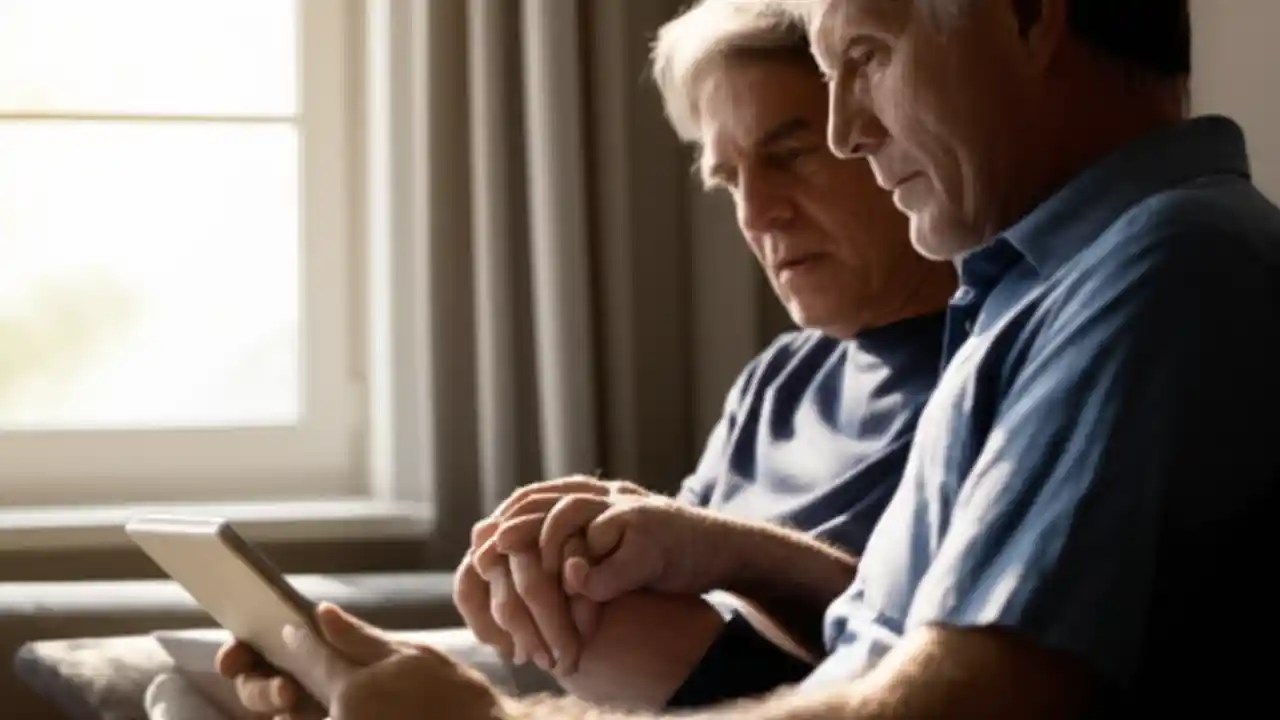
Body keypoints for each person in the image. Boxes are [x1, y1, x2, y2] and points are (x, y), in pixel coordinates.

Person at [226, 0, 1280, 715]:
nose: (849, 130)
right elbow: (898, 646)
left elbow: (959, 702)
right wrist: (732, 555)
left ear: (1027, 13)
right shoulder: (1045, 286)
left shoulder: (1162, 269)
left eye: (864, 54)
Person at [216, 0, 956, 715]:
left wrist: (713, 557)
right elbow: (652, 624)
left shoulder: (997, 365)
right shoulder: (778, 383)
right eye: (728, 179)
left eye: (789, 155)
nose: (757, 214)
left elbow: (947, 665)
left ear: (879, 129)